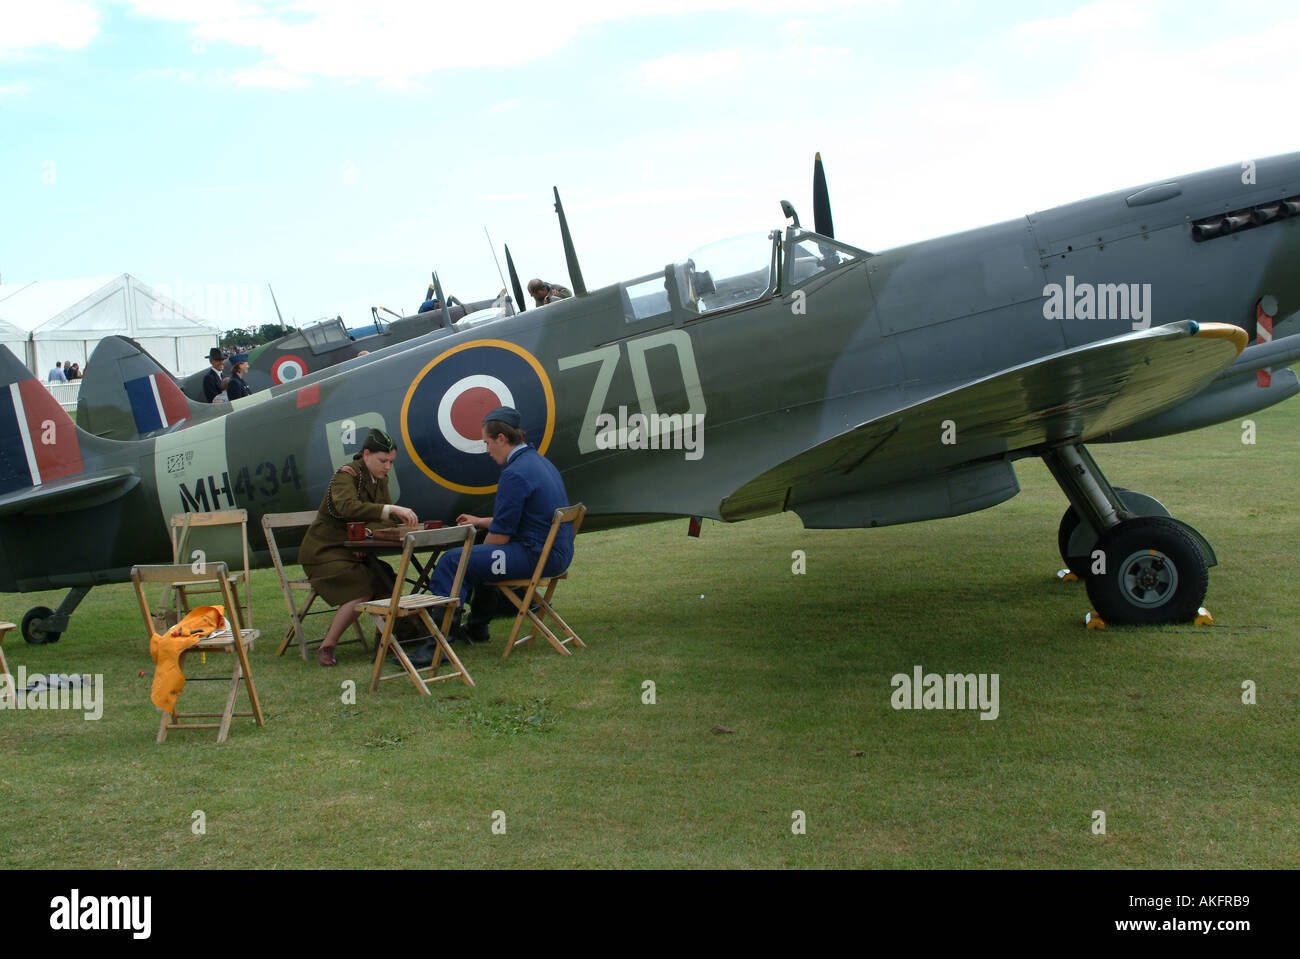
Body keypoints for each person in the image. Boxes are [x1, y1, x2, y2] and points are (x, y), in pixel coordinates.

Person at [407, 406, 573, 667]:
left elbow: (500, 538)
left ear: (501, 439)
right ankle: (477, 626)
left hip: (537, 555)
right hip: (556, 552)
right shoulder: (539, 462)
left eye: (486, 443)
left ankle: (438, 644)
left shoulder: (513, 473)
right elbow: (525, 516)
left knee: (454, 561)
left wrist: (474, 554)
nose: (486, 450)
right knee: (478, 561)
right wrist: (482, 522)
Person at [298, 428, 419, 666]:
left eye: (391, 462)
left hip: (353, 550)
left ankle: (385, 640)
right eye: (382, 461)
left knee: (387, 579)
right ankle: (327, 645)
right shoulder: (348, 475)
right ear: (366, 454)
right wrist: (391, 511)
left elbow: (382, 518)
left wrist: (372, 529)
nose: (387, 467)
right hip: (325, 551)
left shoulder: (377, 479)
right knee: (362, 587)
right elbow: (347, 507)